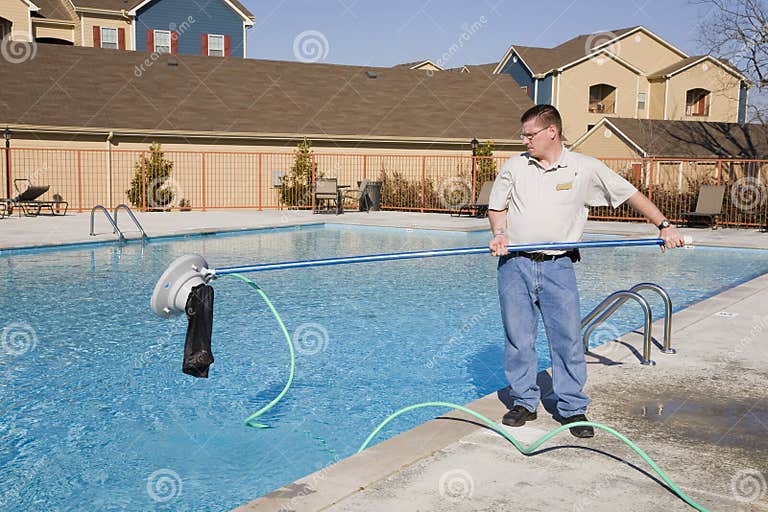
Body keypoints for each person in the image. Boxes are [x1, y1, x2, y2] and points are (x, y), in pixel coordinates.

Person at [488, 104, 684, 438]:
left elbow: (630, 194)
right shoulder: (515, 166)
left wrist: (663, 225)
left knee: (566, 339)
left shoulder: (584, 168)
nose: (524, 141)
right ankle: (524, 401)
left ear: (552, 132)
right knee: (519, 340)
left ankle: (572, 407)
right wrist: (500, 233)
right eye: (523, 134)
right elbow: (496, 207)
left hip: (558, 266)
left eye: (529, 134)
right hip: (515, 265)